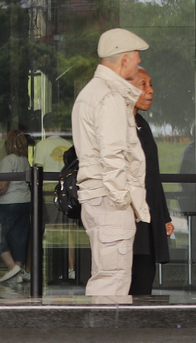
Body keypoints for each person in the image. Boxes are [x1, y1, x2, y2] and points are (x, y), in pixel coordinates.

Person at [72, 27, 149, 296]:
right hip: (109, 199)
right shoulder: (109, 96)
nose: (139, 62)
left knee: (108, 278)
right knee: (112, 284)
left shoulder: (94, 92)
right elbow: (113, 155)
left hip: (100, 197)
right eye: (137, 56)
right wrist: (121, 199)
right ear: (124, 58)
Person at [130, 69, 173, 295]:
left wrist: (163, 216)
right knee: (132, 276)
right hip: (127, 215)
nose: (150, 91)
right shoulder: (118, 124)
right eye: (143, 84)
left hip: (146, 215)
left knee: (145, 273)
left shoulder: (141, 123)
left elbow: (152, 176)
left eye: (151, 84)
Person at [0, 129, 32, 285]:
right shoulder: (24, 159)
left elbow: (3, 186)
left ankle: (11, 267)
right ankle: (18, 272)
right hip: (25, 203)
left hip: (8, 203)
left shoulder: (8, 160)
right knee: (19, 237)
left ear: (9, 143)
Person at [33, 112, 75, 280]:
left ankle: (53, 269)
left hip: (49, 193)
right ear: (59, 127)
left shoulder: (42, 146)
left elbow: (37, 171)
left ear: (44, 128)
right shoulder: (69, 145)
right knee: (70, 232)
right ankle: (71, 268)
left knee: (51, 231)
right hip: (69, 193)